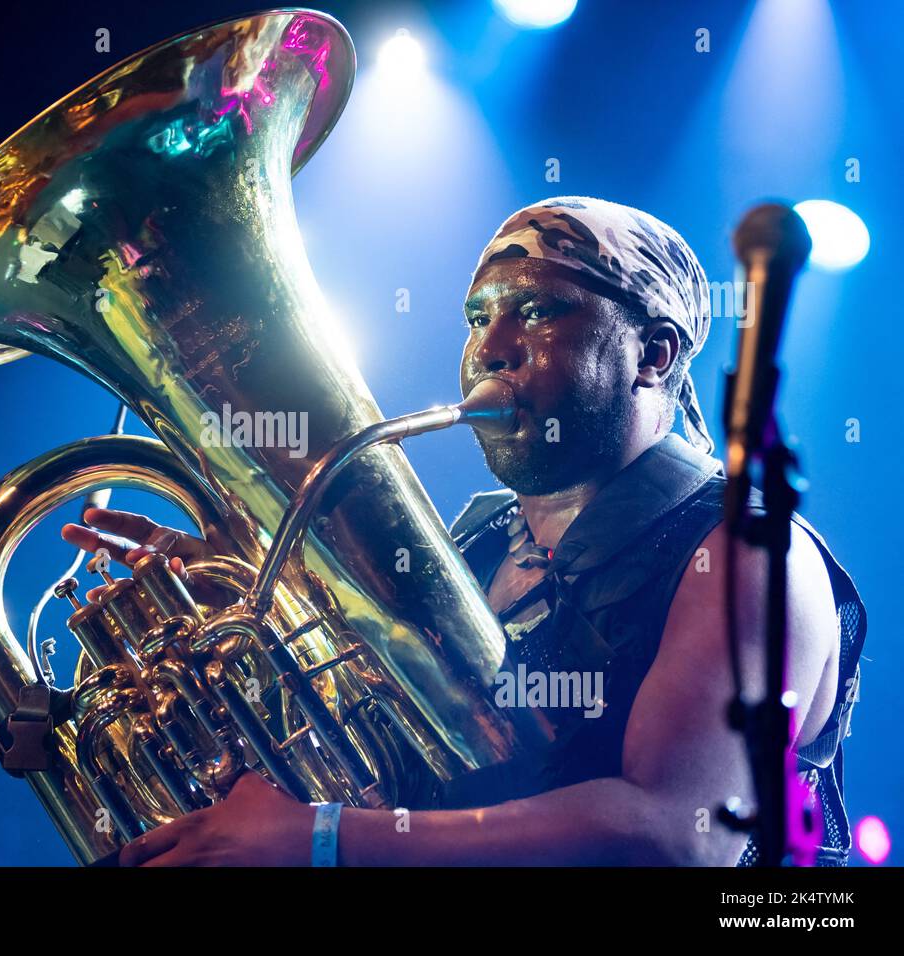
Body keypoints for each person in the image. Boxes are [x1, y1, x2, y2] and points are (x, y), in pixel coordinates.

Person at [60, 197, 866, 866]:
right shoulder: (476, 541)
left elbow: (675, 835)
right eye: (478, 316)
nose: (491, 346)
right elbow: (380, 769)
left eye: (538, 311)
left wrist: (324, 842)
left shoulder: (745, 550)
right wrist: (243, 633)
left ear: (652, 354)